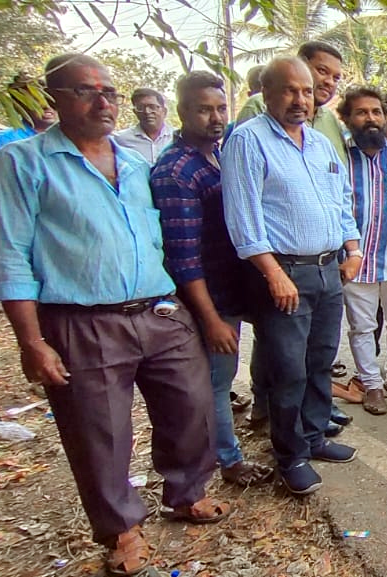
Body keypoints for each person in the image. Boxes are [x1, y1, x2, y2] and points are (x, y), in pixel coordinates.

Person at [0, 53, 229, 575]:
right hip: (81, 320)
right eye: (85, 91)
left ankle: (185, 494)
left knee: (193, 408)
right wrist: (31, 341)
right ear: (55, 99)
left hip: (160, 312)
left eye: (109, 92)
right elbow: (10, 258)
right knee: (100, 433)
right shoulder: (21, 163)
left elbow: (165, 240)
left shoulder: (139, 163)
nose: (103, 102)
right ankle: (121, 530)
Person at [221, 56, 362, 494]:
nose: (300, 99)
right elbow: (243, 219)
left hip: (327, 269)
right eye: (289, 90)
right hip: (283, 275)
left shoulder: (320, 143)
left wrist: (353, 247)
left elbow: (342, 200)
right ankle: (291, 456)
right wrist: (272, 273)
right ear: (266, 92)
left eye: (306, 91)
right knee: (289, 371)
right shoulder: (248, 140)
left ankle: (315, 436)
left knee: (321, 361)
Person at [150, 70, 274, 488]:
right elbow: (183, 258)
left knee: (225, 377)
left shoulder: (222, 154)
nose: (215, 117)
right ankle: (228, 461)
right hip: (210, 298)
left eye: (221, 108)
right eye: (203, 110)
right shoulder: (176, 171)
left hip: (234, 288)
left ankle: (237, 439)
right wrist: (210, 318)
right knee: (216, 383)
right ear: (182, 111)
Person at [333, 86, 387, 416]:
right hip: (356, 263)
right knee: (362, 327)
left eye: (376, 112)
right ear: (347, 118)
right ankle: (371, 384)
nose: (370, 118)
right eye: (362, 112)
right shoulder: (339, 156)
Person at [0, 75, 56, 164]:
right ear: (19, 106)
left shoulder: (68, 138)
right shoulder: (3, 142)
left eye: (50, 101)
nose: (46, 106)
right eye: (36, 101)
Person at [115, 88, 172, 162]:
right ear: (135, 112)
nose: (147, 112)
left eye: (152, 107)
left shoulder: (177, 138)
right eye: (140, 107)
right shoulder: (121, 140)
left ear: (164, 111)